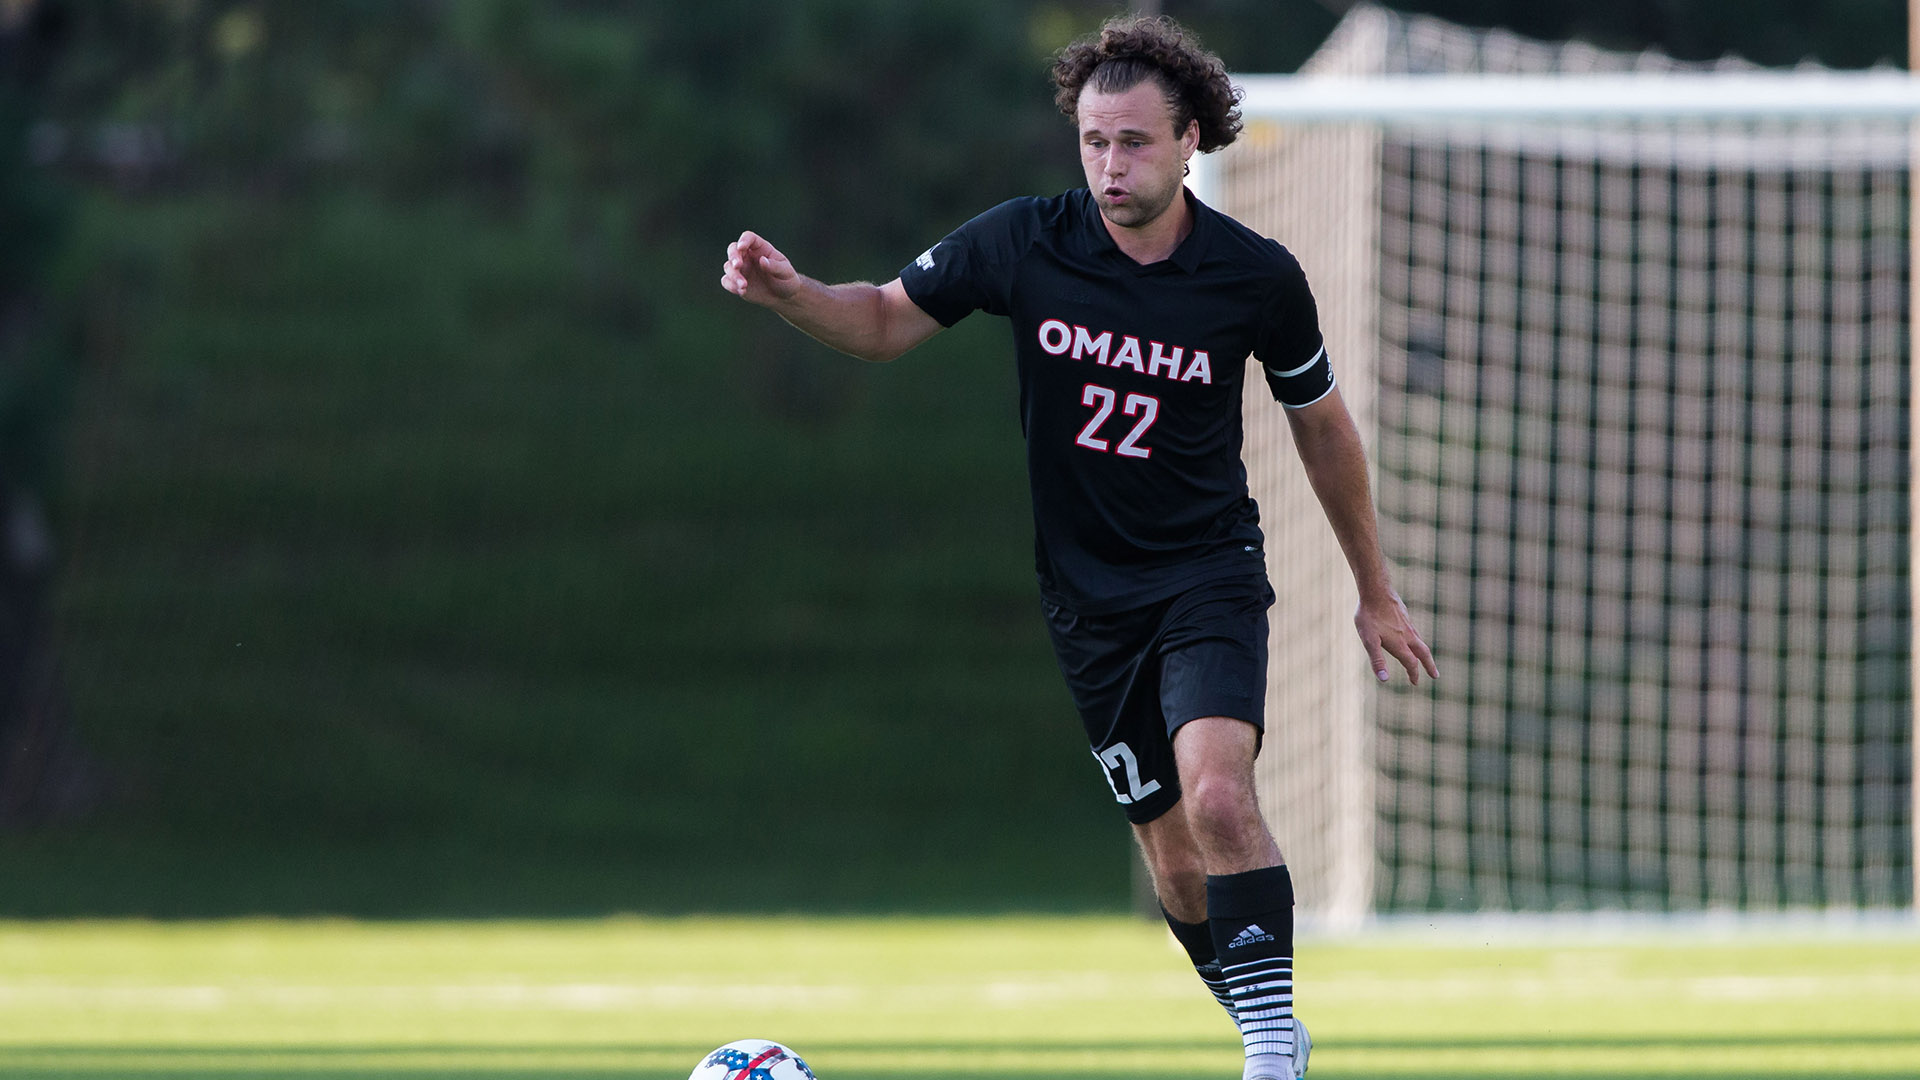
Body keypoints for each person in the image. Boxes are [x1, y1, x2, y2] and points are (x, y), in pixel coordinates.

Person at [720, 14, 1436, 1080]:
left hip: (1206, 572)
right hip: (1087, 601)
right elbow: (877, 319)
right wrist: (793, 297)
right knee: (1175, 865)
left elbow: (1321, 425)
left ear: (1191, 138)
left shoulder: (1256, 277)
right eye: (1094, 141)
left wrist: (1373, 590)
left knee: (1220, 793)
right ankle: (1262, 1021)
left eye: (1134, 142)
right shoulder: (1023, 240)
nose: (1110, 164)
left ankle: (1276, 1052)